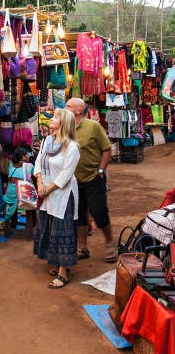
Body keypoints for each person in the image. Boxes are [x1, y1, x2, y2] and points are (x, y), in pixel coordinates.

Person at [33, 108, 81, 289]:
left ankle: (63, 272)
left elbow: (66, 175)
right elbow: (38, 163)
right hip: (46, 191)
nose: (51, 119)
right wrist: (39, 184)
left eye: (55, 117)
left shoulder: (72, 147)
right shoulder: (47, 141)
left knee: (62, 230)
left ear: (64, 123)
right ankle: (53, 261)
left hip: (63, 194)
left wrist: (48, 189)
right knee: (49, 226)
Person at [66, 98, 115, 262]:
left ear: (78, 110)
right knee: (79, 213)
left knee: (98, 211)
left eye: (68, 106)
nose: (64, 108)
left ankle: (110, 242)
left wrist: (101, 170)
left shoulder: (93, 126)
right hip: (73, 180)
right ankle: (82, 247)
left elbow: (107, 149)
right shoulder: (66, 129)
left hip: (93, 177)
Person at [3, 147, 31, 235]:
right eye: (27, 154)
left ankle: (7, 228)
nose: (29, 155)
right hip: (22, 197)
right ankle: (31, 227)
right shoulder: (29, 167)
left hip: (9, 195)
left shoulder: (11, 165)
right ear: (23, 157)